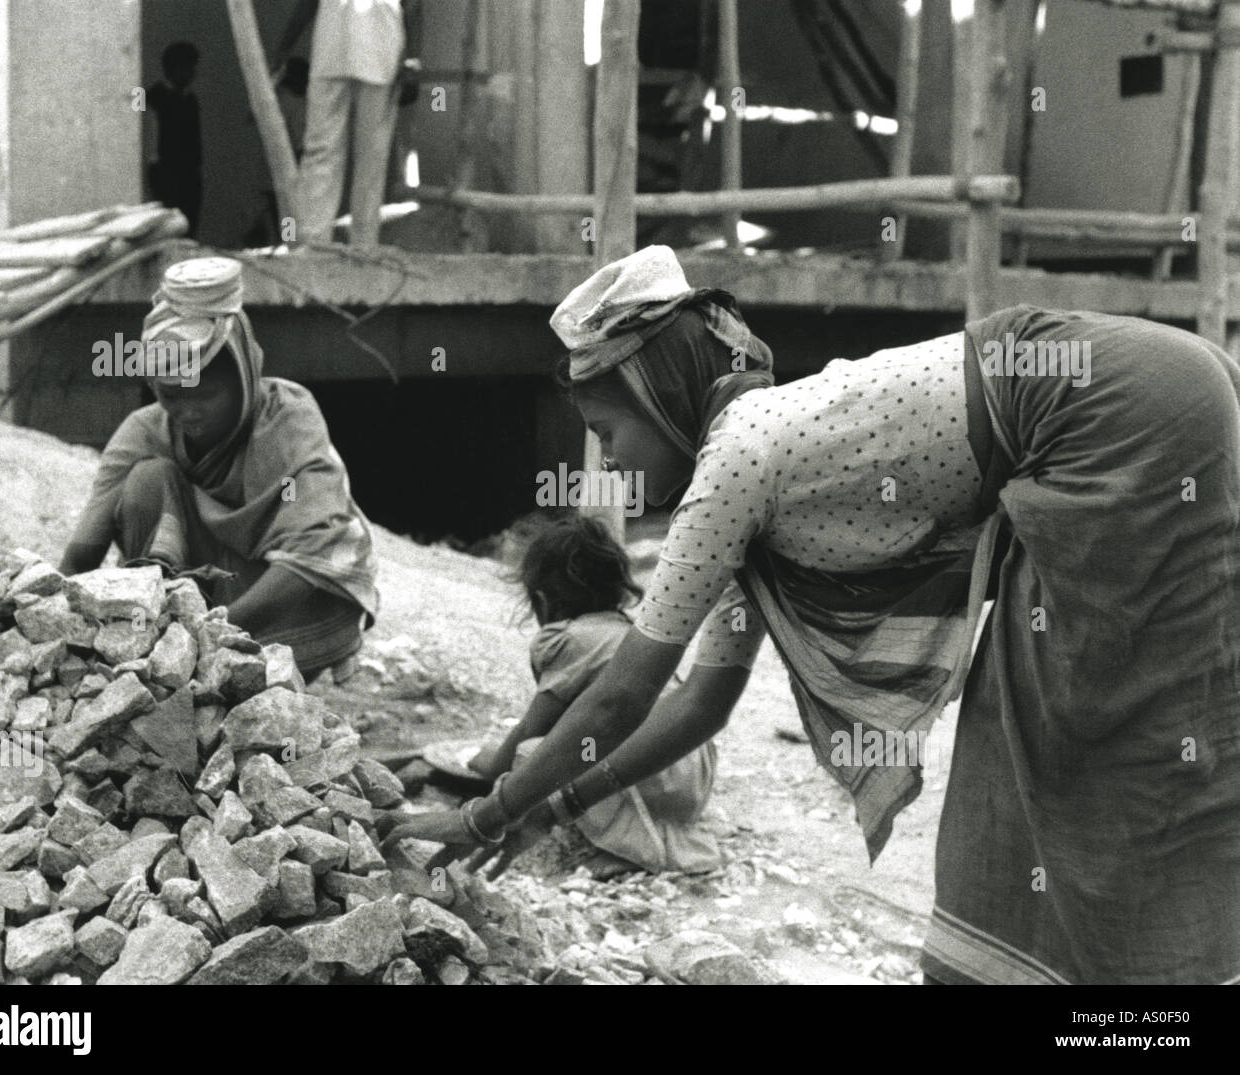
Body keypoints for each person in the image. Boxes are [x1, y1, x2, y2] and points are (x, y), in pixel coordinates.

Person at [385, 244, 1240, 986]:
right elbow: (701, 702)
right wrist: (557, 804)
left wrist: (486, 811)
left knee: (1107, 739)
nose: (609, 460)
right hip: (1148, 389)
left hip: (1121, 409)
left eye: (609, 433)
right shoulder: (744, 495)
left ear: (656, 392)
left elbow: (624, 692)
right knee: (1035, 731)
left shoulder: (735, 460)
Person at [59, 257, 379, 683]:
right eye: (171, 395)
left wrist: (208, 634)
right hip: (197, 612)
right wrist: (47, 629)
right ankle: (170, 659)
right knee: (146, 482)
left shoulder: (288, 419)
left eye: (205, 394)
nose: (187, 412)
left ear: (244, 377)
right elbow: (84, 549)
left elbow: (311, 554)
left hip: (291, 609)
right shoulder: (145, 430)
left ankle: (224, 668)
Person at [468, 513, 720, 874]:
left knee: (529, 755)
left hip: (646, 774)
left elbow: (533, 730)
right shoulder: (630, 632)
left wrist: (490, 767)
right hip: (689, 775)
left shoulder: (566, 639)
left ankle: (628, 849)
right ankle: (652, 831)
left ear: (541, 601)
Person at [273, 0, 423, 251]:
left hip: (376, 50)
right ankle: (313, 244)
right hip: (337, 50)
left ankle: (362, 247)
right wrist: (283, 49)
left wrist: (413, 62)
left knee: (368, 158)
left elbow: (413, 5)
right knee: (324, 151)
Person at [147, 41, 203, 238]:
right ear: (172, 69)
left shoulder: (190, 99)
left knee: (189, 228)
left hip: (189, 176)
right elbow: (144, 130)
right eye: (187, 67)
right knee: (168, 229)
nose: (191, 73)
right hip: (166, 175)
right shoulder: (152, 97)